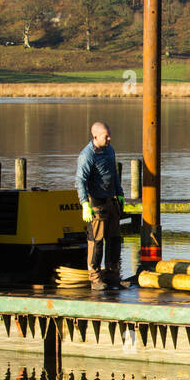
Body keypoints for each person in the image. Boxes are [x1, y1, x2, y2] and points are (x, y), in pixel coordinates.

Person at [75, 121, 124, 290]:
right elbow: (80, 181)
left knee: (115, 239)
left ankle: (112, 275)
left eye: (109, 135)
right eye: (106, 136)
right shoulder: (87, 155)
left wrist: (120, 193)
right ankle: (95, 278)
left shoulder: (110, 150)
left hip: (111, 201)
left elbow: (114, 174)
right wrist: (84, 204)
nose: (109, 138)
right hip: (96, 202)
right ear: (95, 137)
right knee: (96, 242)